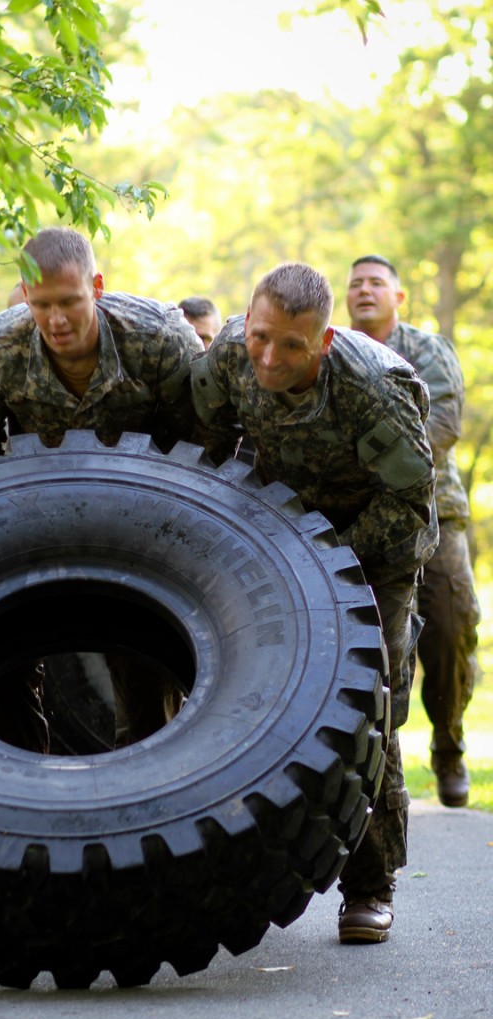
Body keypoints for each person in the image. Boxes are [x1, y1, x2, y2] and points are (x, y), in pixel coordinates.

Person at [191, 262, 437, 945]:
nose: (269, 358)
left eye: (291, 346)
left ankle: (370, 887)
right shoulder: (229, 354)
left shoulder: (372, 389)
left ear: (323, 341)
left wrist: (328, 555)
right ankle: (244, 868)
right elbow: (203, 446)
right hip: (275, 536)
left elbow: (410, 506)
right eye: (261, 337)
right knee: (243, 699)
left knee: (370, 711)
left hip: (374, 550)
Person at [0, 226, 203, 747]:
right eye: (40, 305)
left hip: (140, 532)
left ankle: (143, 806)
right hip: (30, 530)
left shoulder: (157, 340)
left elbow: (199, 445)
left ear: (97, 287)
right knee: (0, 679)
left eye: (69, 301)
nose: (56, 321)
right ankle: (17, 802)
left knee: (145, 684)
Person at [346, 254, 480, 807]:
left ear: (398, 297)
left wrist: (366, 453)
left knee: (451, 629)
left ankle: (448, 745)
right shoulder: (338, 354)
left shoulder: (426, 349)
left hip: (435, 513)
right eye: (355, 283)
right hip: (363, 519)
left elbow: (444, 426)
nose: (364, 290)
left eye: (376, 282)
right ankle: (379, 763)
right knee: (374, 644)